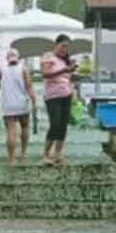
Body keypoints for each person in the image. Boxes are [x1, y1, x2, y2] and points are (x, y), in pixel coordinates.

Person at [0, 48, 36, 166]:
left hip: (8, 106)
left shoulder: (1, 70)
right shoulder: (24, 68)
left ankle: (11, 159)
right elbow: (29, 86)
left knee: (11, 131)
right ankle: (23, 153)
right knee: (25, 127)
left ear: (7, 59)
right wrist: (34, 100)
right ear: (18, 58)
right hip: (22, 105)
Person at [40, 34, 78, 166]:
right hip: (52, 96)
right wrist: (64, 70)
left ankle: (58, 154)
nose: (64, 49)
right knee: (55, 124)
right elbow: (45, 74)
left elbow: (68, 79)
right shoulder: (48, 56)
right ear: (56, 45)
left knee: (63, 126)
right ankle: (46, 154)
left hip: (66, 95)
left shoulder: (65, 60)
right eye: (63, 46)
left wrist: (73, 75)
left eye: (67, 47)